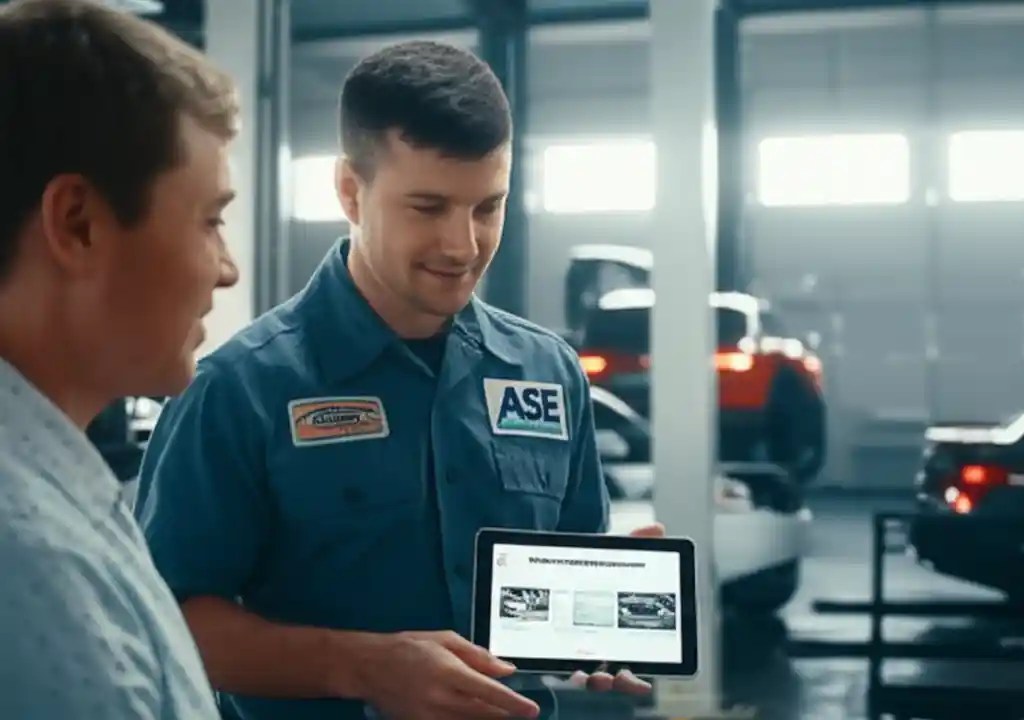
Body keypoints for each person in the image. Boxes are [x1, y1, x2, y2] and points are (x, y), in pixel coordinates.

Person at [135, 40, 655, 720]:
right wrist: (363, 669)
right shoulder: (240, 390)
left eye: (487, 207)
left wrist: (603, 614)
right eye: (428, 207)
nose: (463, 245)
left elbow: (562, 589)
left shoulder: (547, 372)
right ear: (351, 191)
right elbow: (163, 617)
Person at [0, 0, 241, 717]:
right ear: (78, 224)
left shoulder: (59, 494)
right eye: (210, 220)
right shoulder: (35, 563)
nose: (227, 269)